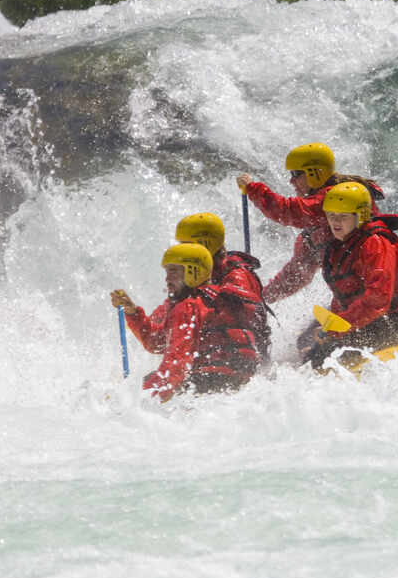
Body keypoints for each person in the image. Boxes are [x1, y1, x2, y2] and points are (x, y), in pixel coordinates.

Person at [296, 182, 398, 368]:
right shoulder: (339, 245)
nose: (335, 222)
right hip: (374, 320)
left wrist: (338, 329)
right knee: (310, 347)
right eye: (331, 216)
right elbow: (343, 295)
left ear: (360, 215)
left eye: (343, 217)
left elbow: (378, 298)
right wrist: (331, 328)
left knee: (322, 359)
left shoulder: (376, 244)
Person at [110, 243, 261, 402]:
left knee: (146, 384)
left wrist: (136, 400)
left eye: (174, 271)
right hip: (243, 380)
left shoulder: (186, 307)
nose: (167, 279)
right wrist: (133, 312)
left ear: (193, 271)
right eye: (167, 272)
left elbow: (176, 364)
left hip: (210, 382)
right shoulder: (216, 295)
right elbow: (158, 342)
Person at [236, 143, 382, 304]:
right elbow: (296, 275)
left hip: (376, 297)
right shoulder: (316, 231)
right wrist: (261, 299)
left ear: (315, 173)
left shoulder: (337, 198)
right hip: (355, 300)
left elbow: (288, 211)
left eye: (296, 174)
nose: (291, 181)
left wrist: (253, 189)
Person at [173, 212, 271, 359]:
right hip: (219, 353)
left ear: (204, 245)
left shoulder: (237, 276)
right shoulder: (206, 273)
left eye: (185, 246)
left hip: (239, 360)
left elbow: (240, 323)